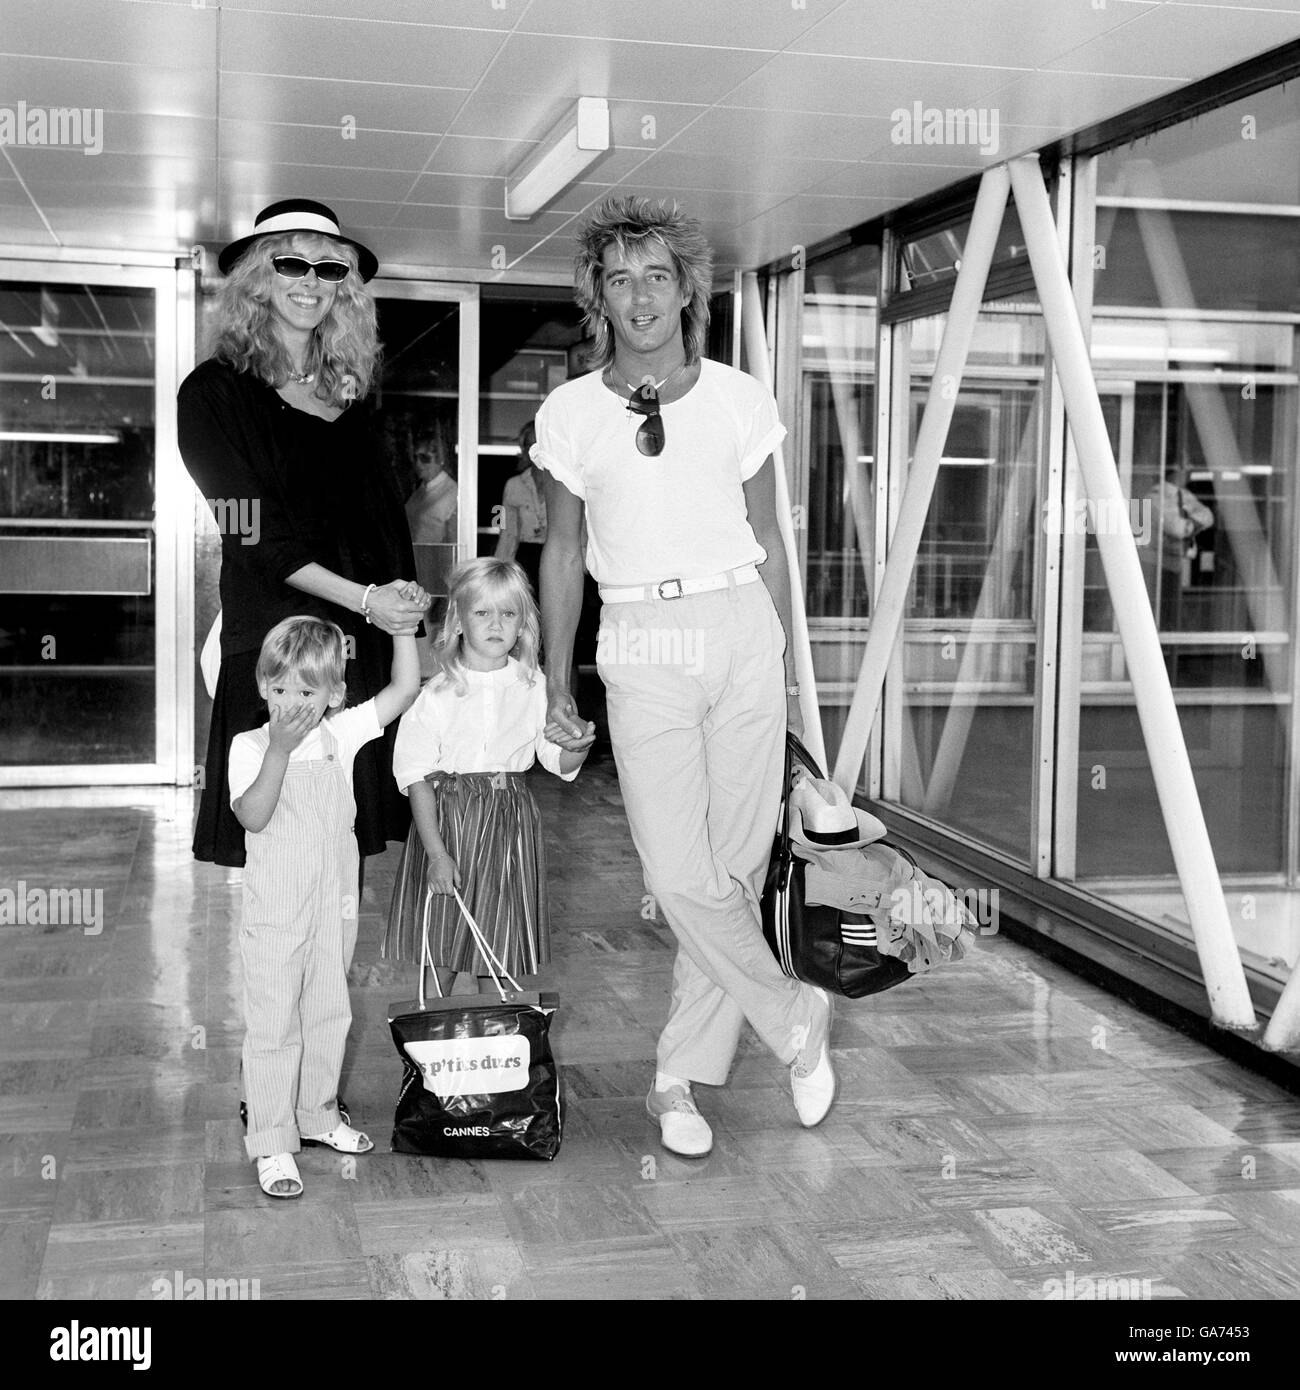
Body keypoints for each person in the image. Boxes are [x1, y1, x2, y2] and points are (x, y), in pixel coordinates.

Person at [532, 196, 835, 1158]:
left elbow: (774, 545)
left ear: (686, 289)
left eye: (656, 275)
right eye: (619, 278)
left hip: (740, 620)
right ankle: (795, 1016)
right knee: (675, 870)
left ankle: (675, 1082)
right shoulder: (570, 413)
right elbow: (563, 553)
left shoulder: (742, 398)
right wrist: (556, 683)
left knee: (737, 870)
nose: (639, 296)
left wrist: (781, 665)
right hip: (641, 631)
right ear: (597, 297)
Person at [179, 198, 428, 870]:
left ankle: (322, 973)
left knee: (341, 840)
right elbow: (250, 531)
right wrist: (365, 599)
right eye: (293, 262)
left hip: (360, 637)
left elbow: (384, 521)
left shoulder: (353, 394)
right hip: (277, 642)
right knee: (272, 839)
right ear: (260, 275)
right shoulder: (211, 395)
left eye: (329, 268)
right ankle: (275, 972)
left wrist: (401, 610)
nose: (311, 280)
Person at [230, 614, 421, 1197]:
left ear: (334, 694)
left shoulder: (345, 732)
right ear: (263, 685)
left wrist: (404, 630)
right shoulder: (250, 745)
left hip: (332, 905)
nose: (290, 703)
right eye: (279, 687)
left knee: (328, 1009)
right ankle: (271, 1139)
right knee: (273, 1020)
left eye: (307, 692)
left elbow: (405, 689)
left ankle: (317, 1114)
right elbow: (254, 815)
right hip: (275, 913)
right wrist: (280, 752)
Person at [383, 558, 594, 994]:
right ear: (459, 621)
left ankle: (499, 1048)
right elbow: (415, 777)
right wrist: (437, 854)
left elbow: (557, 762)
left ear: (522, 625)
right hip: (449, 824)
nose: (496, 624)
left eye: (508, 613)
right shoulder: (436, 694)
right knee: (442, 939)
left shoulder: (535, 687)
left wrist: (578, 746)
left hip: (510, 824)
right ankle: (430, 1046)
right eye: (482, 612)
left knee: (499, 942)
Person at [495, 420, 548, 596]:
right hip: (525, 560)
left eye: (539, 443)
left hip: (556, 556)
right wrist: (499, 572)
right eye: (529, 444)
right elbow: (507, 532)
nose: (534, 450)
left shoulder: (565, 484)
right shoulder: (513, 485)